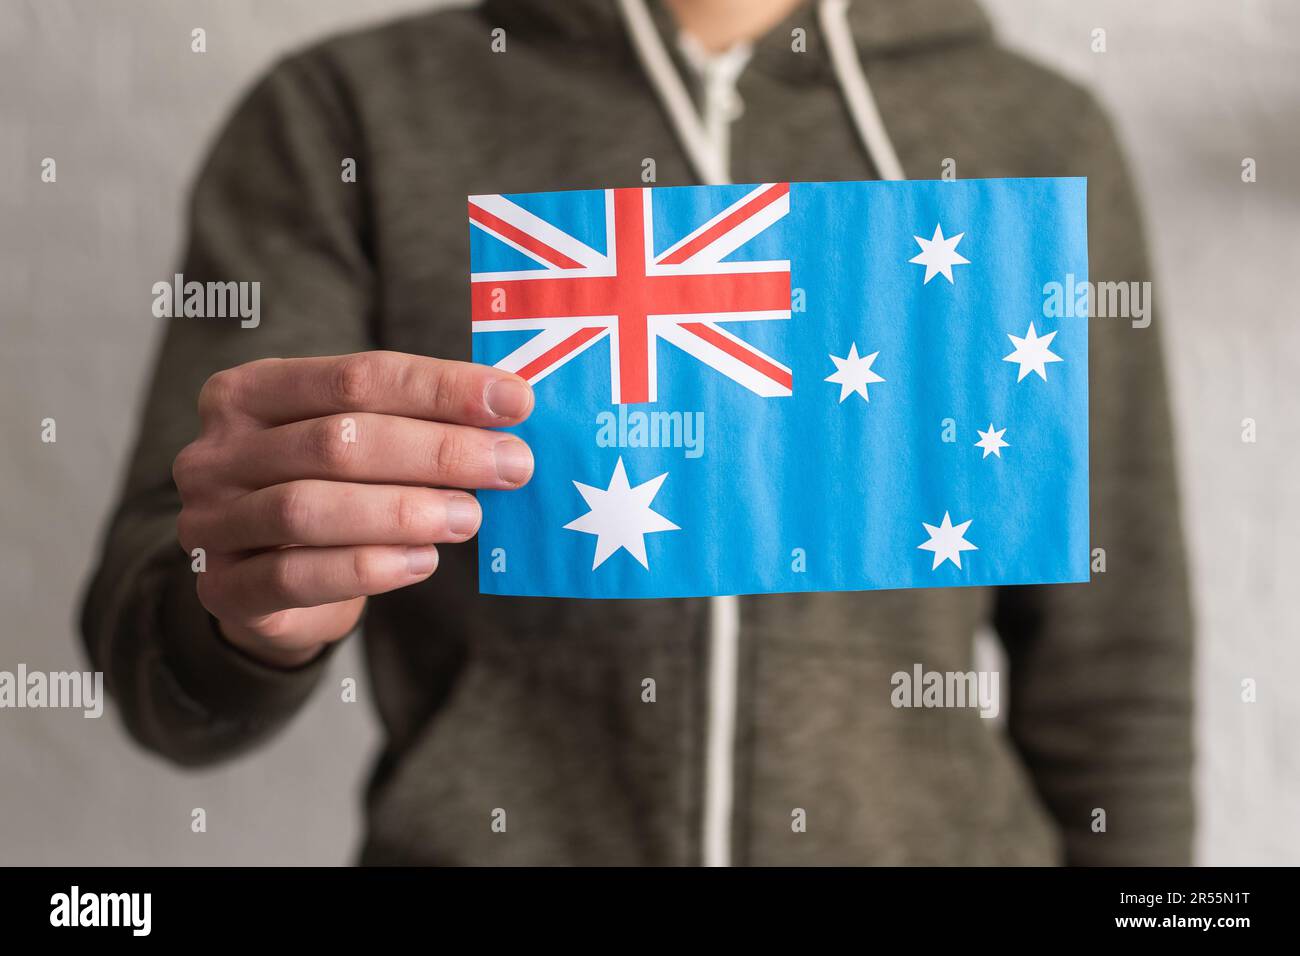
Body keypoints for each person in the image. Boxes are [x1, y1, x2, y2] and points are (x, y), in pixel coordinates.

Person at [81, 0, 1192, 865]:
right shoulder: (343, 115)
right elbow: (157, 665)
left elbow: (1116, 671)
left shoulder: (1036, 135)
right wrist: (243, 608)